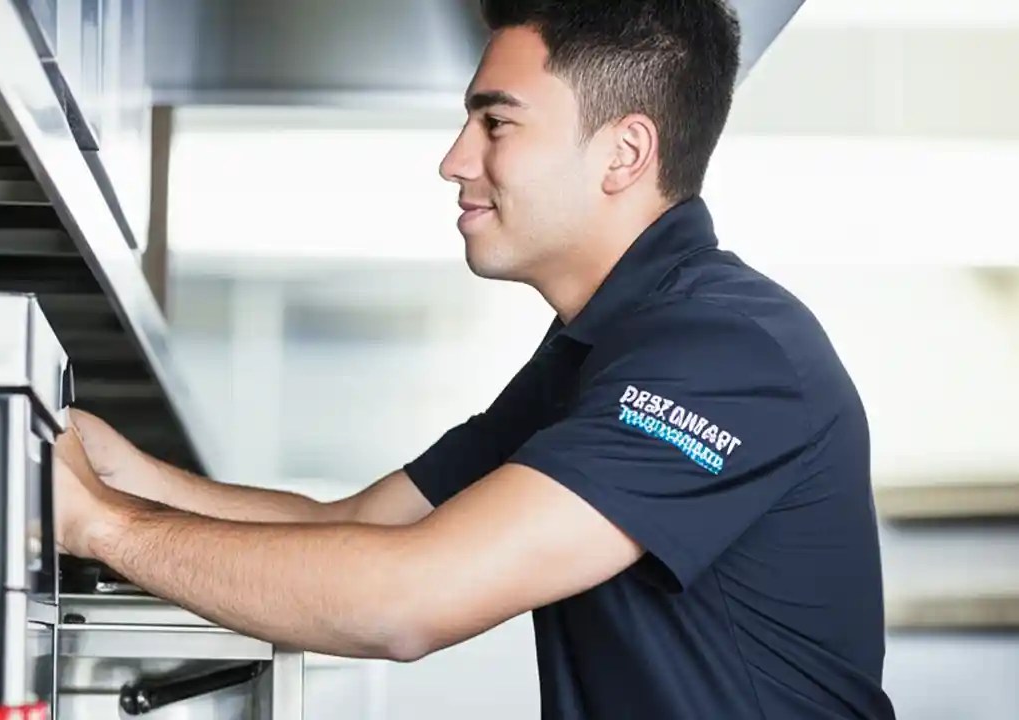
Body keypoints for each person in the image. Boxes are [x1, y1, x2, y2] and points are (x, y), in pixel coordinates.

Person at [53, 1, 896, 717]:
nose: (455, 160)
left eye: (497, 122)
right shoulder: (600, 352)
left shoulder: (727, 351)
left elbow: (404, 601)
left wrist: (99, 525)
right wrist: (125, 479)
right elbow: (355, 530)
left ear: (624, 153)